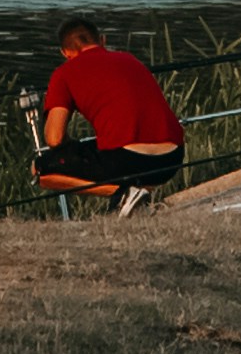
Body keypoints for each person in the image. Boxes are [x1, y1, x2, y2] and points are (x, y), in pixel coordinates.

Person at [33, 19, 201, 212]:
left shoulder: (63, 74)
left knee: (40, 169)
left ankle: (125, 194)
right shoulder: (130, 59)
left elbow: (54, 138)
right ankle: (136, 200)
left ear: (64, 52)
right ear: (102, 40)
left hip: (127, 159)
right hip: (172, 157)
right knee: (108, 148)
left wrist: (72, 146)